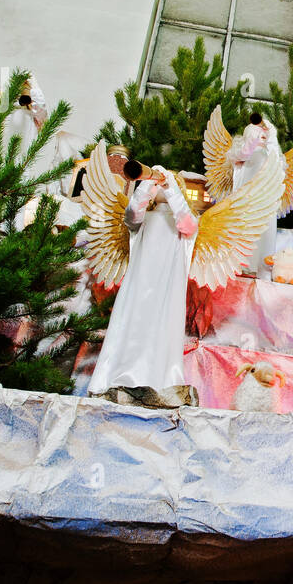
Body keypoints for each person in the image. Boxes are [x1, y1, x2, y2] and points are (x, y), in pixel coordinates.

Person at [87, 160, 199, 407]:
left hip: (167, 287)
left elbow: (187, 223)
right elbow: (131, 215)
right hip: (140, 283)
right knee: (132, 325)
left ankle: (158, 380)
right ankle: (122, 376)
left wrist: (169, 185)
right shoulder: (144, 218)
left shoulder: (185, 220)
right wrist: (146, 185)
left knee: (162, 330)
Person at [229, 112, 283, 277]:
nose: (263, 135)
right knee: (245, 226)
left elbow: (279, 165)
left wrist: (271, 137)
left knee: (265, 229)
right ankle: (241, 265)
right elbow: (242, 154)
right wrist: (253, 139)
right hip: (247, 196)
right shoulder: (244, 151)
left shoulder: (271, 154)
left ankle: (263, 269)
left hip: (266, 198)